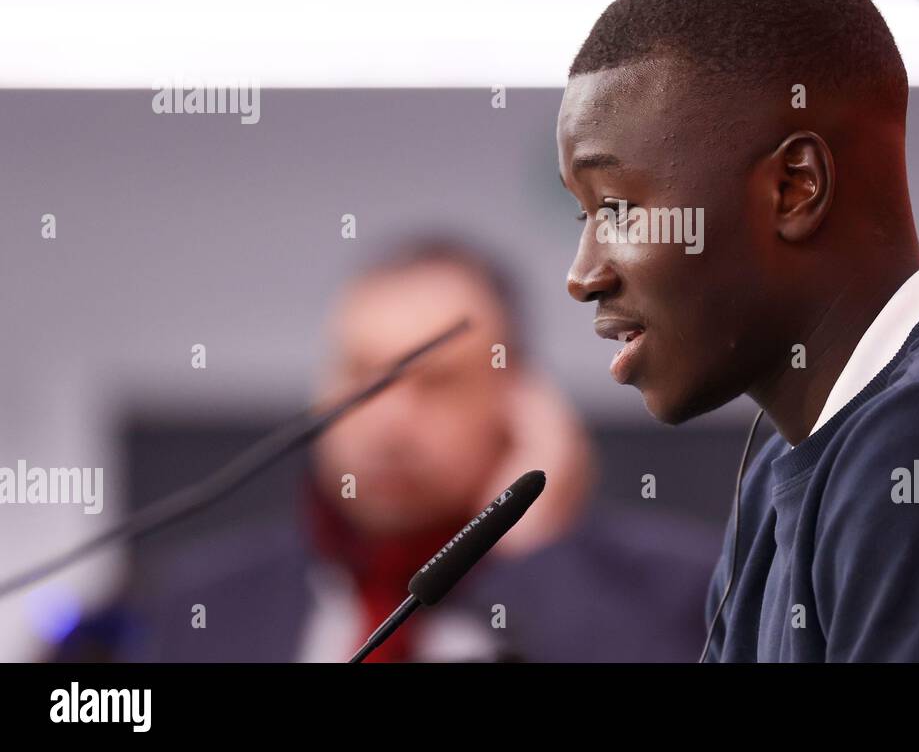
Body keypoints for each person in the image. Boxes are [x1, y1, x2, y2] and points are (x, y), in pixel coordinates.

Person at [557, 0, 919, 661]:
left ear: (795, 188)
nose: (583, 276)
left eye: (617, 209)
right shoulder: (783, 467)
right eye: (585, 216)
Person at [54, 238, 716, 662]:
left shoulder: (680, 596)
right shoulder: (199, 602)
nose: (390, 423)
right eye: (364, 378)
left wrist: (531, 552)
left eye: (438, 382)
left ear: (521, 402)